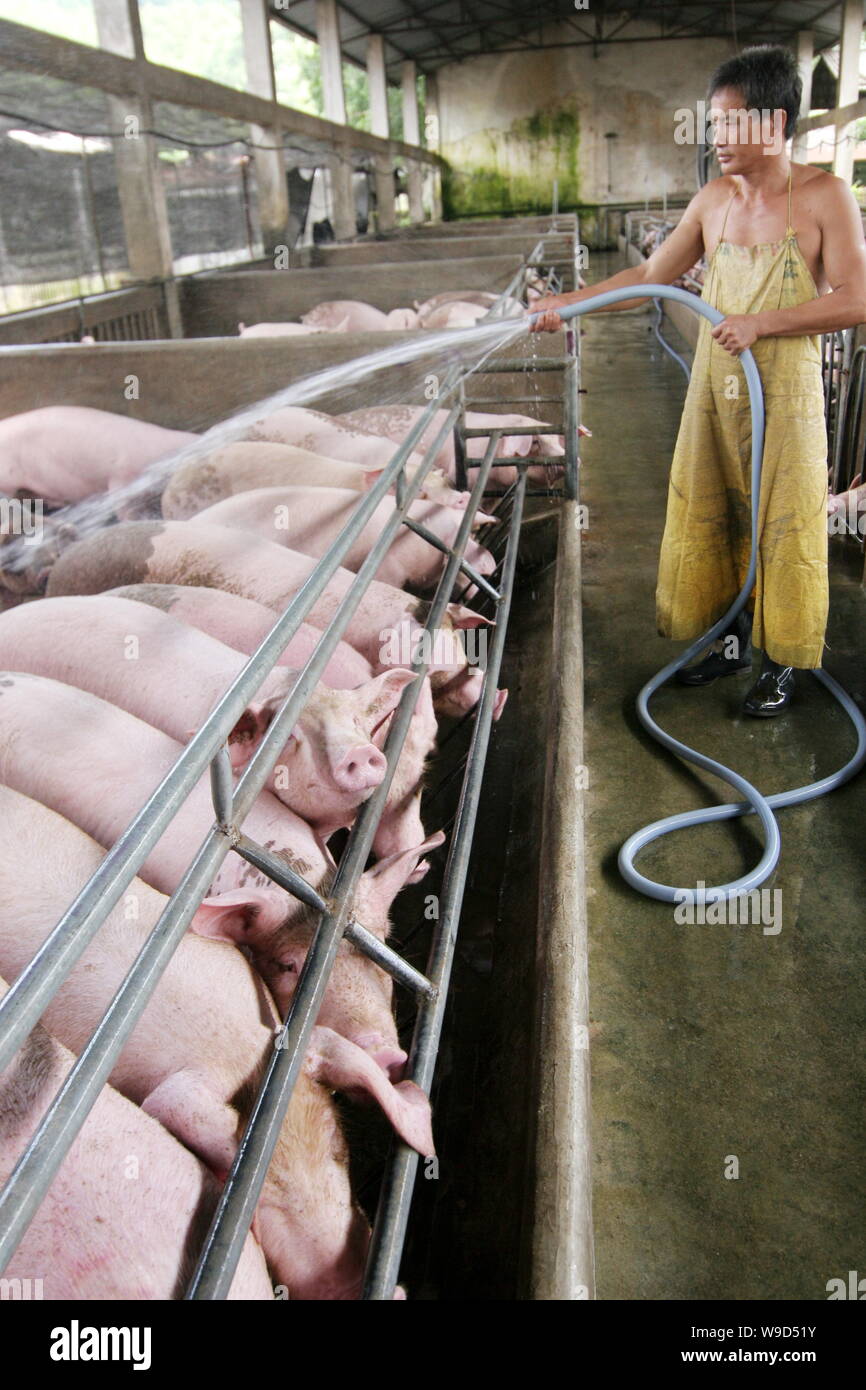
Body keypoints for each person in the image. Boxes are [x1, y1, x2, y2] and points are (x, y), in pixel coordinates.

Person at [530, 45, 866, 716]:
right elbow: (648, 280)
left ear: (774, 123)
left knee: (788, 521)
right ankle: (733, 638)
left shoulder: (825, 195)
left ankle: (783, 661)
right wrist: (567, 304)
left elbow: (859, 297)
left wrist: (764, 322)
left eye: (732, 123)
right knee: (712, 508)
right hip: (716, 389)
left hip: (788, 395)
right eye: (713, 124)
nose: (717, 139)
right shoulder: (712, 202)